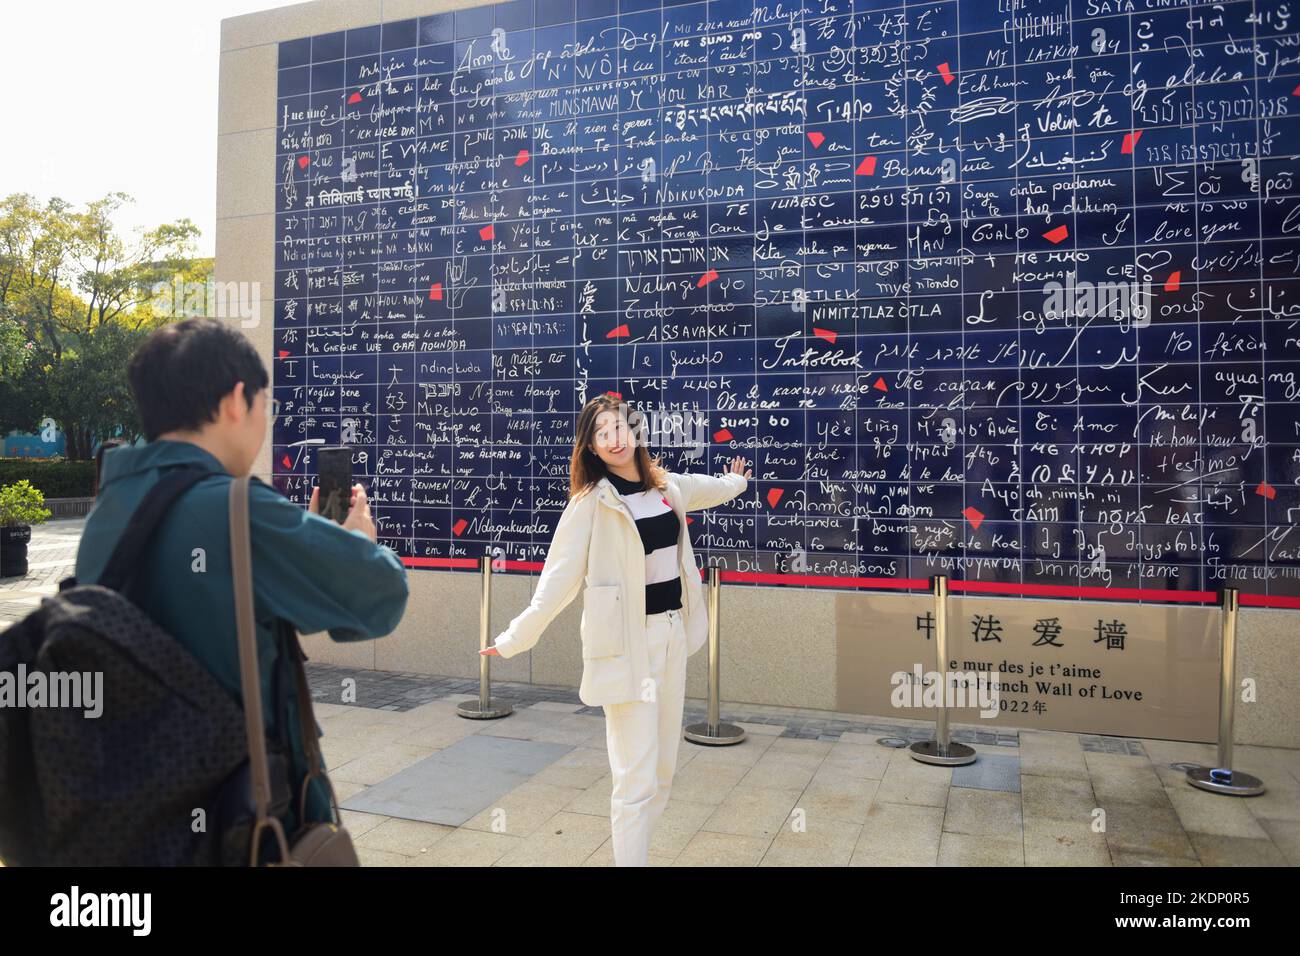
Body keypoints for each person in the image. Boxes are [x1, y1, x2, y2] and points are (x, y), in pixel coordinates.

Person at [74, 317, 409, 842]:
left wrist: (312, 544)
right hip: (235, 819)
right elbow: (380, 597)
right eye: (264, 405)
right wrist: (357, 540)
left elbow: (219, 608)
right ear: (237, 400)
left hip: (129, 811)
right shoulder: (237, 509)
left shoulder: (111, 508)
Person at [482, 393, 751, 865]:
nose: (614, 438)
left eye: (620, 427)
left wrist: (737, 481)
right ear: (590, 446)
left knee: (663, 773)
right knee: (635, 777)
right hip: (628, 647)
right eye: (601, 432)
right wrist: (514, 638)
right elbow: (557, 583)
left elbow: (708, 487)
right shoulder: (590, 504)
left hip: (671, 635)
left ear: (636, 432)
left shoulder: (665, 487)